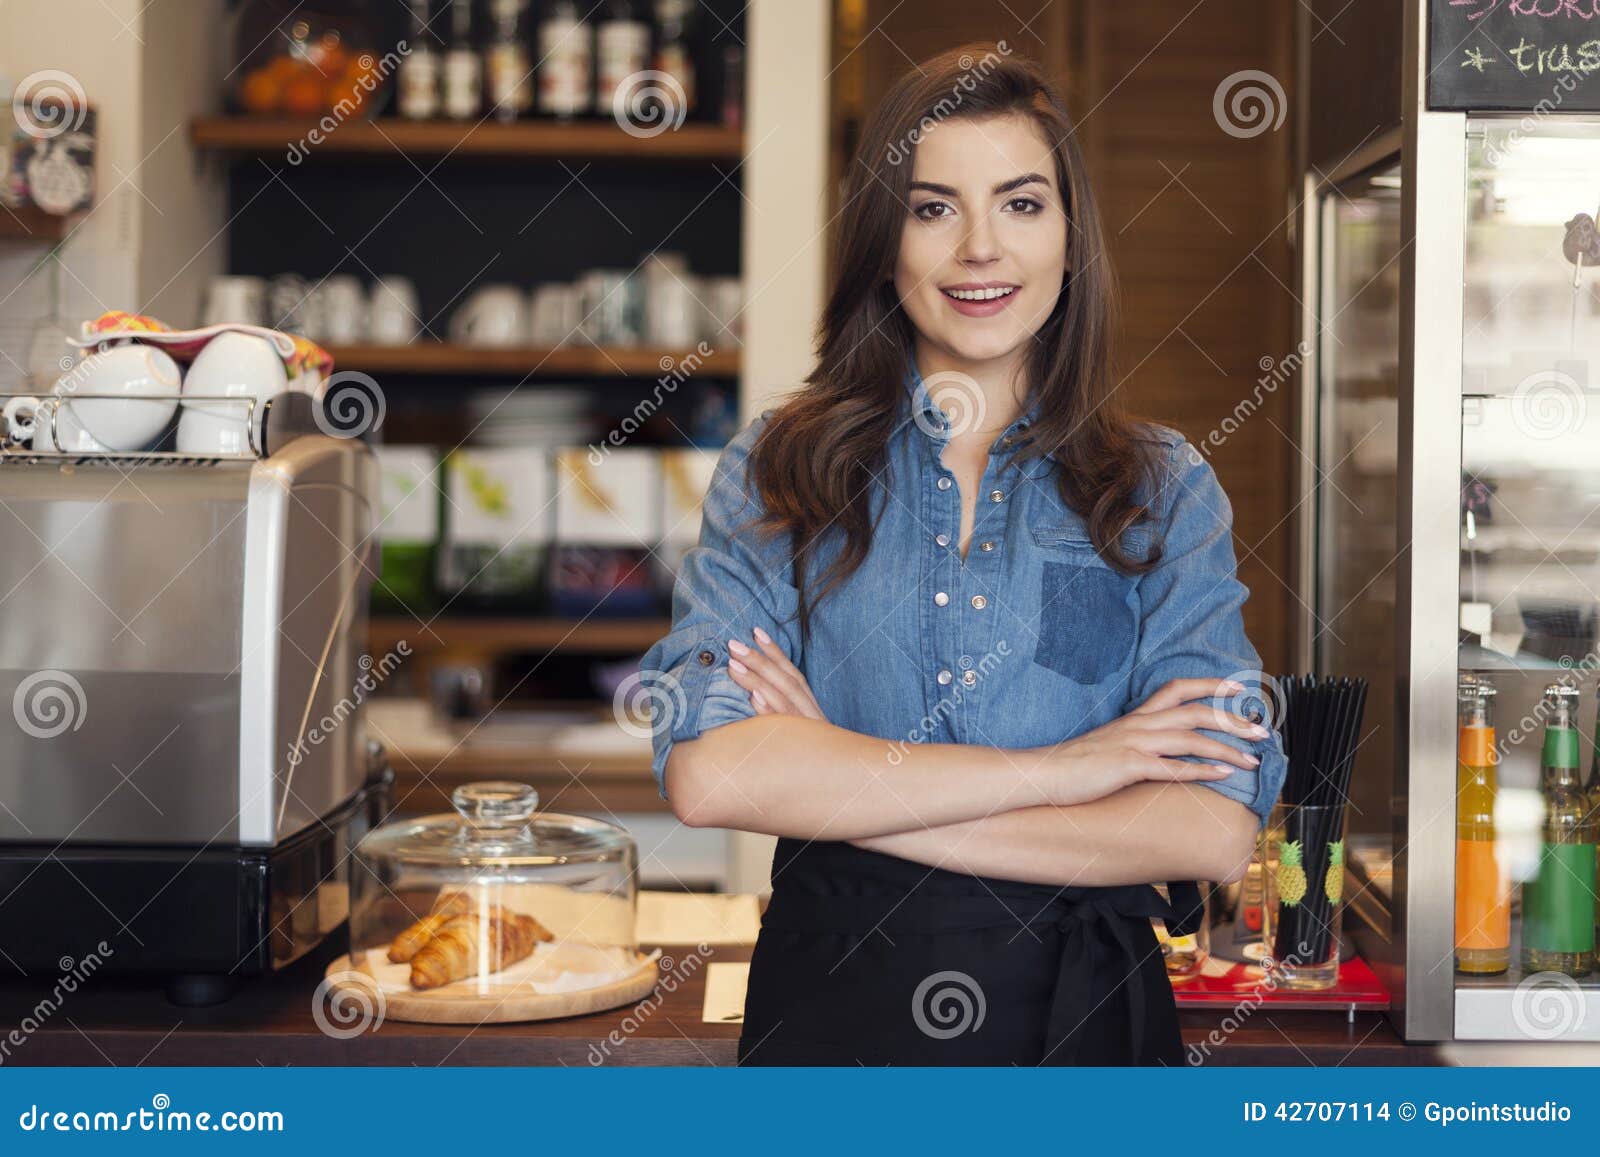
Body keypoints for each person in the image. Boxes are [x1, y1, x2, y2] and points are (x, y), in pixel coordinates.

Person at [637, 44, 1287, 1066]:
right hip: (834, 1013)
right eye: (933, 207)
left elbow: (1209, 827)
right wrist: (1073, 768)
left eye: (1022, 204)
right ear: (883, 244)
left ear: (1071, 241)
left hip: (1086, 1023)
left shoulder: (1162, 489)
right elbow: (712, 773)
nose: (981, 247)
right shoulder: (782, 466)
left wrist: (848, 797)